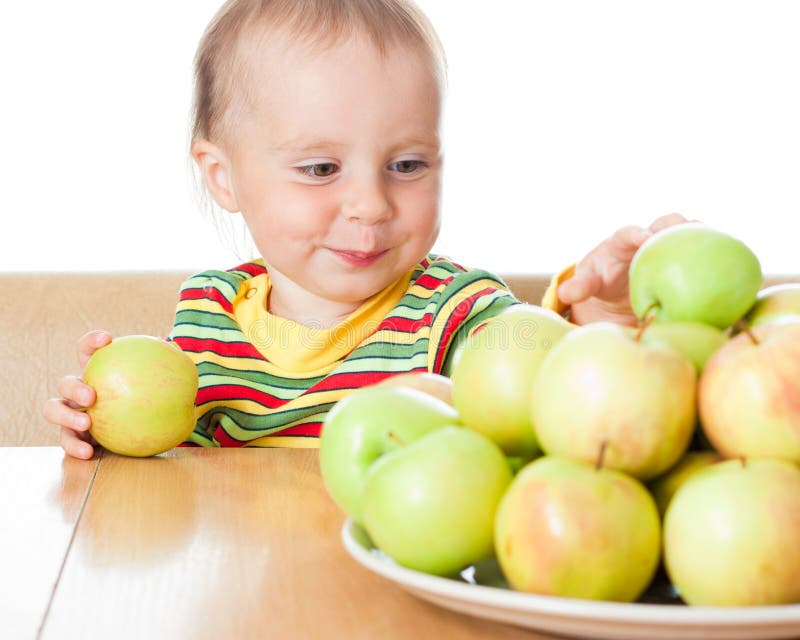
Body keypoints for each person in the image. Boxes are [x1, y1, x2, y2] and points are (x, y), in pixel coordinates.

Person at [43, 0, 685, 459]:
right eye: (321, 168)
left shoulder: (454, 313)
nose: (371, 205)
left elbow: (545, 379)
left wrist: (600, 319)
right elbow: (179, 478)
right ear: (223, 177)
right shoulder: (207, 320)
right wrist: (106, 421)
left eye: (406, 165)